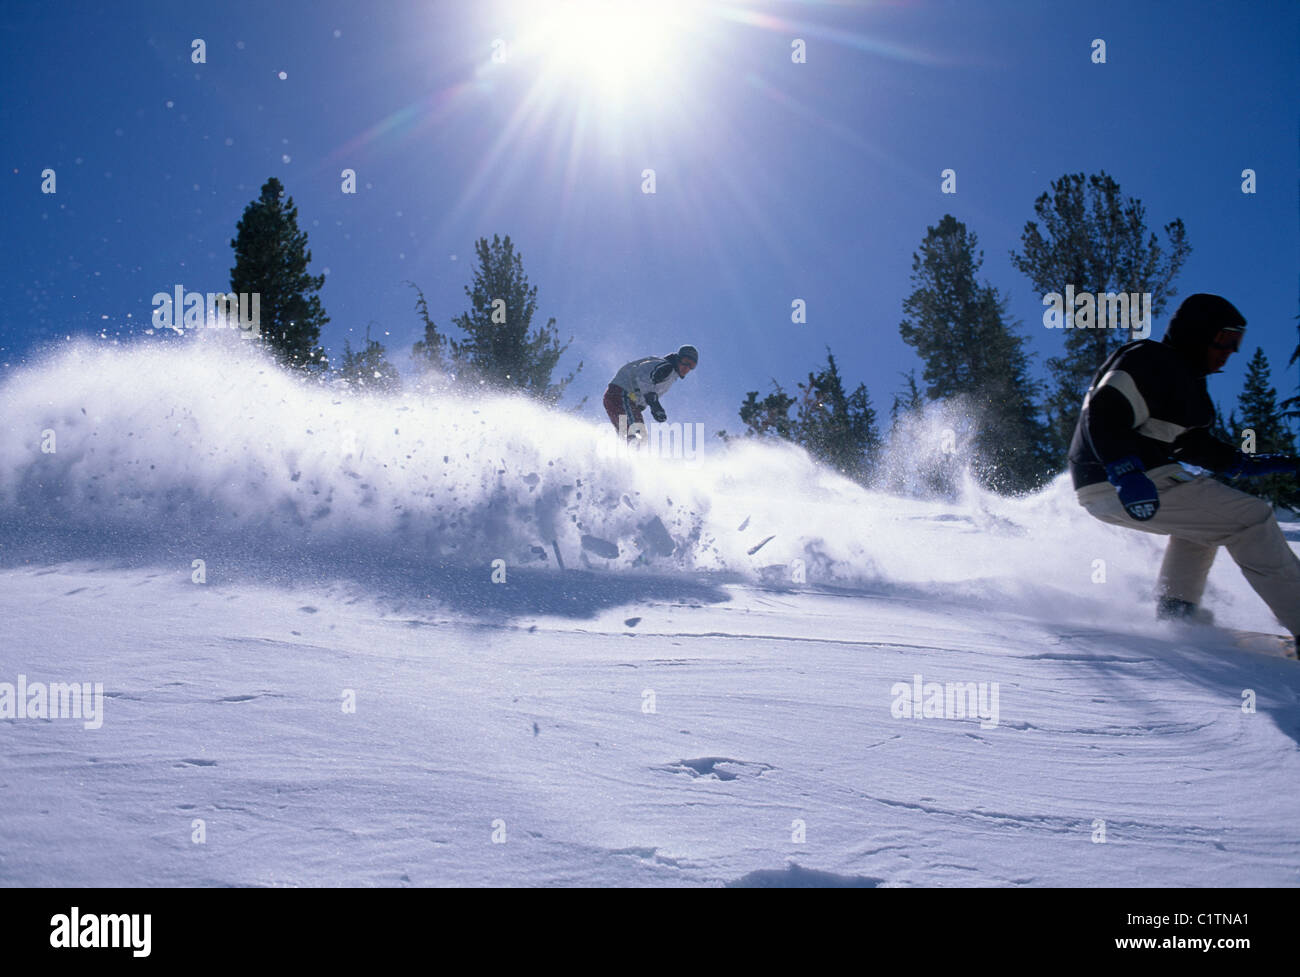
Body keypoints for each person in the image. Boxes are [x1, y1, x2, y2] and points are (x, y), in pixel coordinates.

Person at [1069, 293, 1300, 646]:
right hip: (1125, 479)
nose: (1230, 352)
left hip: (1118, 484)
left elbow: (1195, 447)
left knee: (1207, 523)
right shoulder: (1150, 360)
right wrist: (1125, 471)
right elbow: (1104, 409)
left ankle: (1178, 612)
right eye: (1225, 339)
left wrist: (1254, 463)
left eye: (1237, 343)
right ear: (1196, 333)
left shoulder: (1186, 383)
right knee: (1252, 520)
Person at [604, 344, 698, 440]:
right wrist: (654, 404)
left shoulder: (670, 375)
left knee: (640, 437)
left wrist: (643, 406)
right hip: (620, 394)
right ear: (678, 359)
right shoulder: (666, 367)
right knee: (636, 435)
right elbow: (642, 377)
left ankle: (622, 453)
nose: (687, 368)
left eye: (692, 366)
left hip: (627, 401)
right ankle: (631, 451)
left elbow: (644, 389)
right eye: (685, 362)